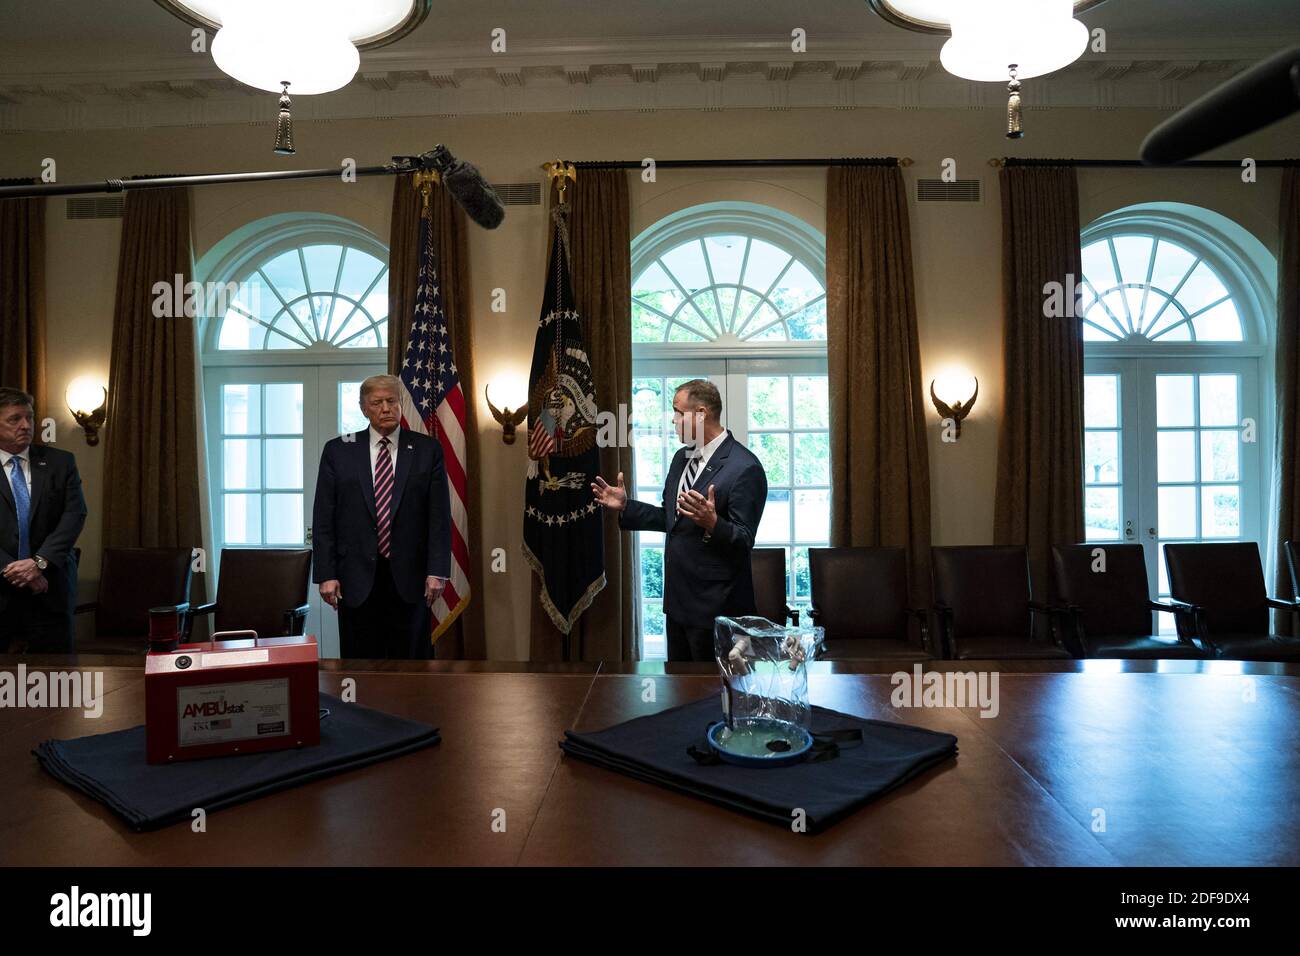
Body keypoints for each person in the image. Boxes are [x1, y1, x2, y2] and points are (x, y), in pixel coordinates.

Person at [592, 378, 767, 662]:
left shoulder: (744, 466)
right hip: (677, 605)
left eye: (677, 412)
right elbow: (671, 519)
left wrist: (713, 523)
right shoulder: (680, 459)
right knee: (680, 695)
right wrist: (626, 506)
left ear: (701, 413)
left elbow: (744, 539)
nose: (673, 421)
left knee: (712, 698)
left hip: (717, 610)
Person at [311, 375, 451, 659]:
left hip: (411, 578)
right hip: (355, 578)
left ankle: (410, 706)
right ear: (363, 408)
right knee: (360, 664)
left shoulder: (427, 449)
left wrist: (437, 571)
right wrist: (326, 574)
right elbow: (324, 517)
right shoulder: (338, 451)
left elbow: (439, 516)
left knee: (412, 662)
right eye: (377, 402)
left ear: (401, 403)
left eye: (391, 401)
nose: (385, 408)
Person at [0, 387, 86, 654]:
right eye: (14, 419)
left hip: (51, 590)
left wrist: (39, 564)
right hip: (2, 592)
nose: (26, 425)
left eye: (29, 417)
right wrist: (16, 570)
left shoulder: (60, 462)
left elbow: (74, 515)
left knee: (58, 684)